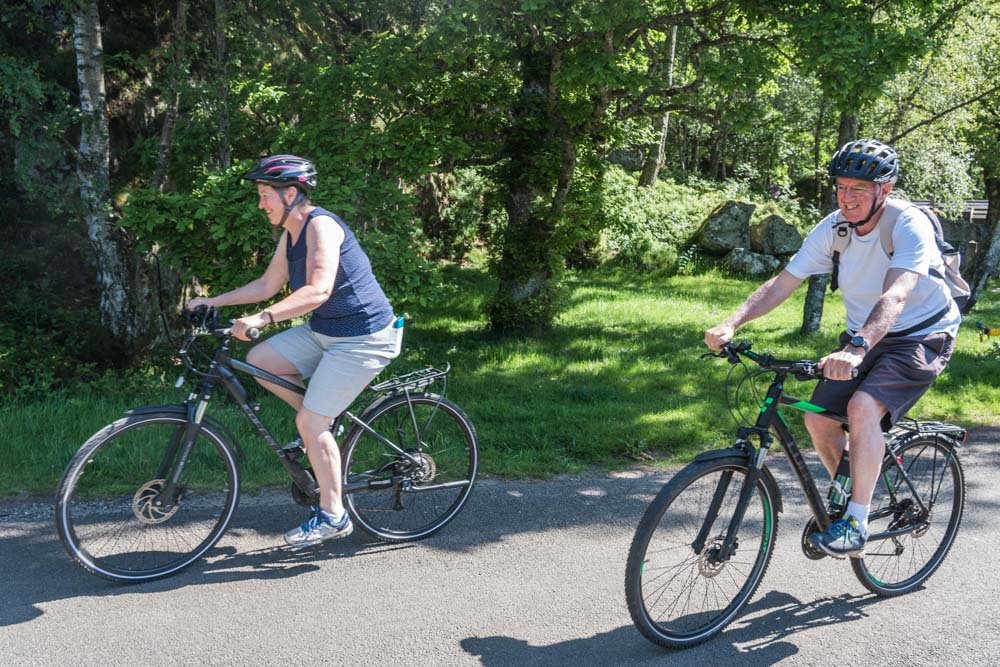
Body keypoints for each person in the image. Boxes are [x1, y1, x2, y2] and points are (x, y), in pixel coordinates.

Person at [704, 139, 960, 558]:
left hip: (920, 334)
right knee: (820, 421)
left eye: (859, 188)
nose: (847, 197)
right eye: (841, 187)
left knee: (862, 408)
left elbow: (896, 295)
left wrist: (857, 349)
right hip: (866, 334)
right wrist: (732, 322)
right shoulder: (834, 228)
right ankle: (849, 496)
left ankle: (856, 524)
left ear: (885, 190)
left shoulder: (906, 225)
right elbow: (783, 283)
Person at [189, 154, 402, 548]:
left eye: (265, 194)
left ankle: (334, 516)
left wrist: (263, 319)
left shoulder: (322, 226)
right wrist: (214, 302)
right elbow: (268, 284)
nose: (260, 204)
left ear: (290, 193)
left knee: (310, 423)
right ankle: (322, 423)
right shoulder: (291, 233)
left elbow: (318, 290)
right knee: (261, 361)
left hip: (362, 338)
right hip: (326, 332)